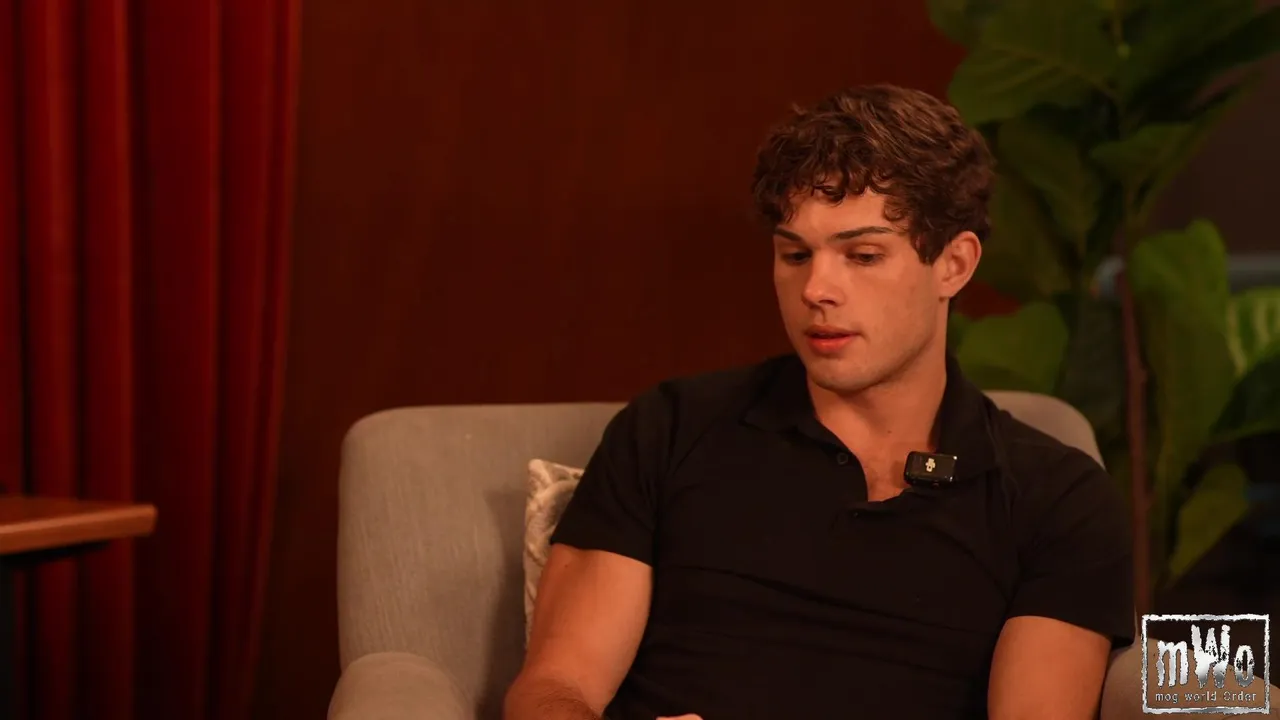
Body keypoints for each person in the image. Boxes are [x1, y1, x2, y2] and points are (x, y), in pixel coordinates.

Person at [503, 84, 1135, 720]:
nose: (816, 289)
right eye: (795, 255)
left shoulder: (1056, 499)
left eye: (863, 255)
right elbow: (553, 689)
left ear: (953, 264)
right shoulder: (669, 429)